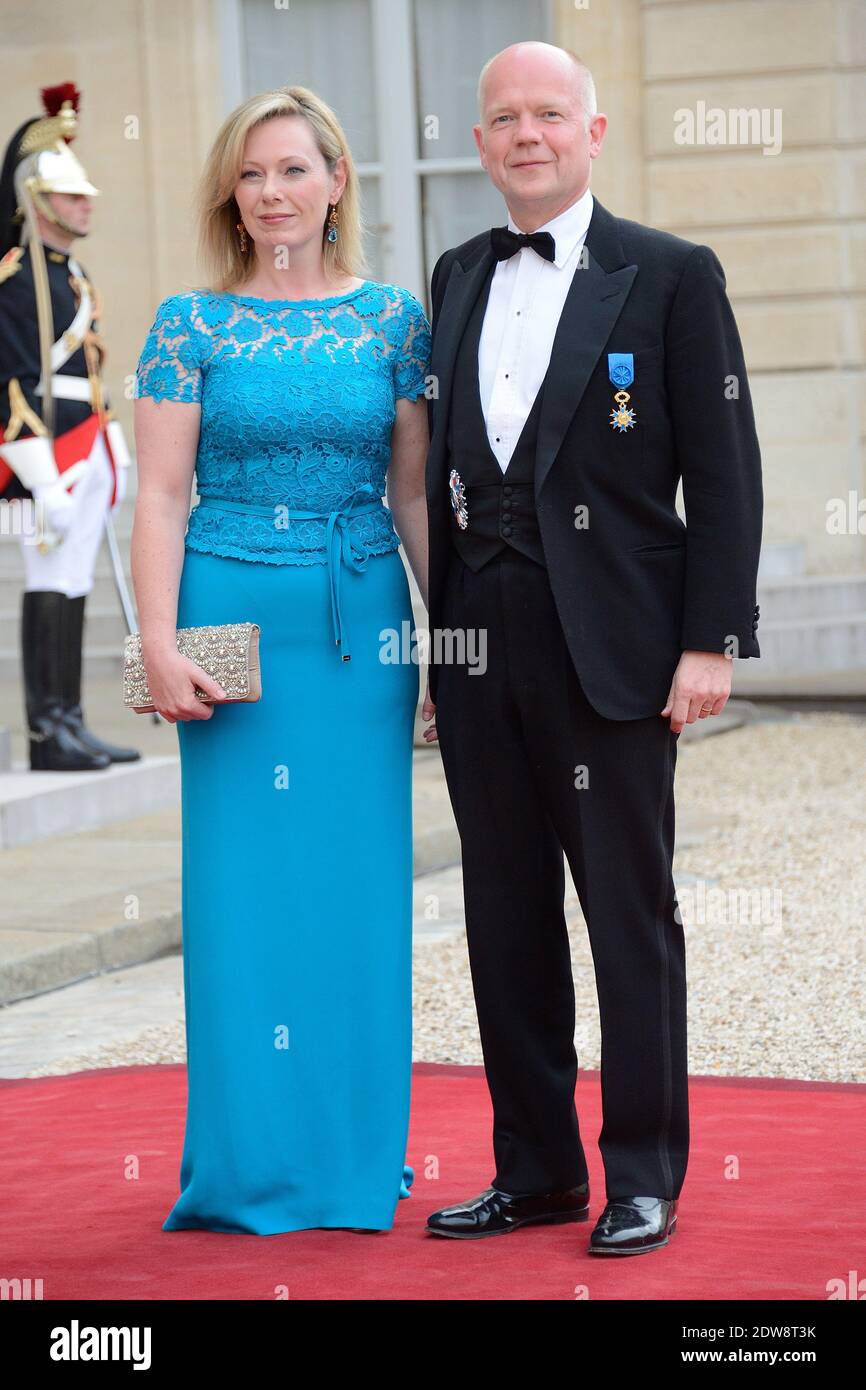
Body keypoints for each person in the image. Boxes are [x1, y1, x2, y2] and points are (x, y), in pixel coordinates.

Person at [421, 42, 762, 1255]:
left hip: (614, 644)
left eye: (548, 114)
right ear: (479, 143)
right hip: (481, 650)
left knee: (627, 915)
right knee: (502, 913)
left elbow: (722, 477)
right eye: (503, 117)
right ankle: (535, 1170)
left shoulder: (670, 274)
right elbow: (446, 479)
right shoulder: (456, 272)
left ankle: (642, 1174)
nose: (526, 134)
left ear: (592, 130)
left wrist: (710, 641)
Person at [132, 85, 431, 1235]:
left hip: (360, 623)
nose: (272, 194)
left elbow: (411, 491)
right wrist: (158, 641)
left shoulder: (392, 321)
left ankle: (352, 1160)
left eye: (293, 170)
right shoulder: (187, 326)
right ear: (230, 191)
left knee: (354, 891)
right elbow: (159, 495)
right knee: (241, 894)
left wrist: (448, 647)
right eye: (252, 174)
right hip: (226, 620)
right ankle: (249, 1166)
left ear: (336, 180)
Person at [0, 81, 139, 770]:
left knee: (74, 578)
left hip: (84, 448)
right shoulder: (16, 276)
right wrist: (39, 473)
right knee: (46, 577)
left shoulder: (70, 272)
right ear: (39, 201)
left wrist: (109, 443)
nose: (86, 205)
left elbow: (85, 369)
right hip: (40, 460)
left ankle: (70, 720)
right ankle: (44, 730)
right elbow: (14, 381)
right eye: (73, 196)